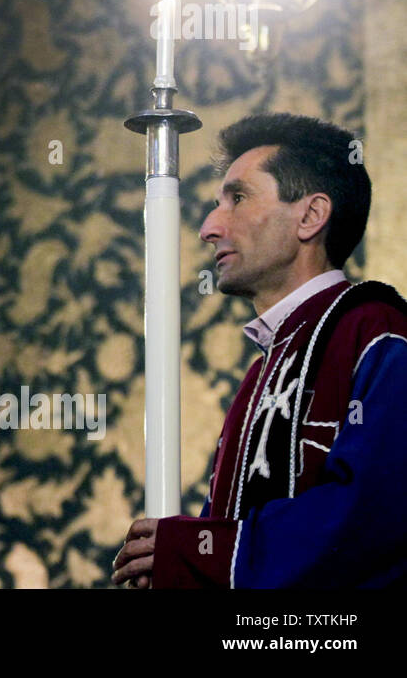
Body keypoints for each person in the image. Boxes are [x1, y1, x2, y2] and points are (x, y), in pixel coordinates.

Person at [113, 113, 407, 588]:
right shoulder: (267, 367)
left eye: (238, 198)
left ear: (310, 216)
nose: (209, 226)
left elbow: (377, 510)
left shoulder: (375, 333)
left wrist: (201, 552)